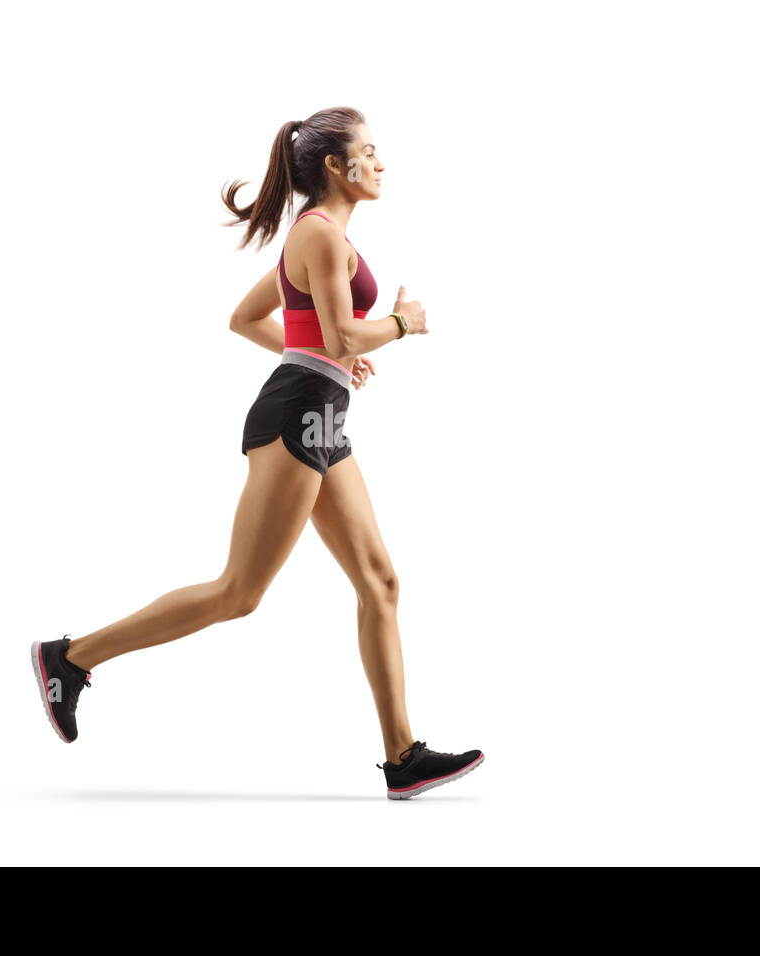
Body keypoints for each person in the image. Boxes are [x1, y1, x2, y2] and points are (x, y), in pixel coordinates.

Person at [30, 107, 483, 799]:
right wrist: (401, 324)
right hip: (296, 417)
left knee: (381, 583)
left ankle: (403, 758)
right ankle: (69, 658)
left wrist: (335, 354)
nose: (382, 163)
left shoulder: (319, 237)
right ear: (337, 165)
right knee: (239, 593)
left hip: (321, 416)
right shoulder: (321, 238)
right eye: (370, 151)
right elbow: (341, 337)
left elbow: (251, 321)